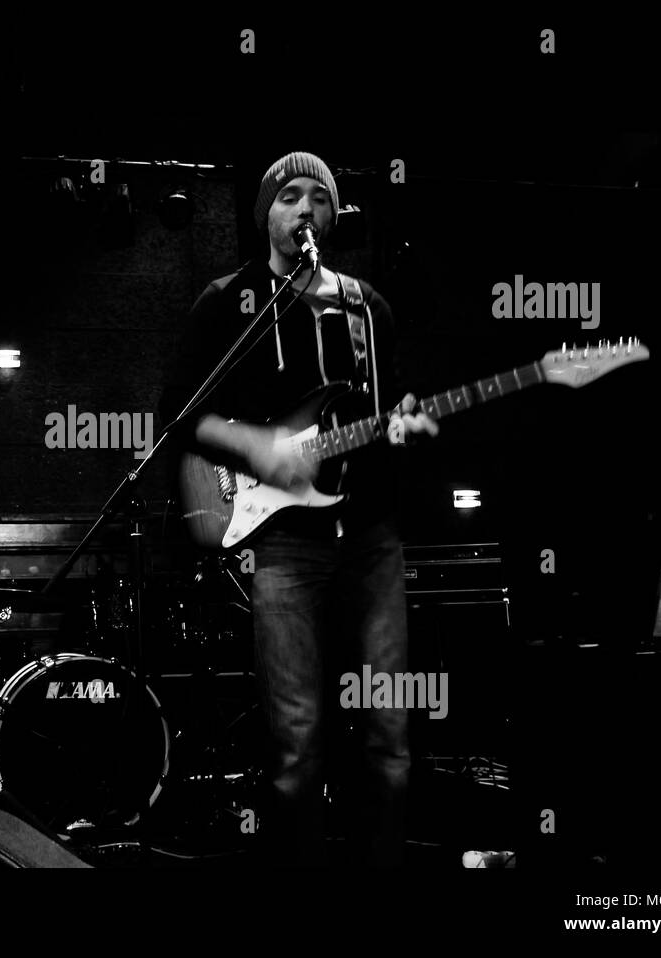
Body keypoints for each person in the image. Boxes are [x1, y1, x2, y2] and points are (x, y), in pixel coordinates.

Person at [159, 151, 437, 867]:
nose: (305, 206)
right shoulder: (229, 300)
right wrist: (258, 449)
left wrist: (403, 426)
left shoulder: (365, 305)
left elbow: (387, 408)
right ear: (266, 218)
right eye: (289, 195)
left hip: (372, 539)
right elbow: (180, 417)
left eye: (319, 196)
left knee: (388, 735)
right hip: (283, 545)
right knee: (295, 739)